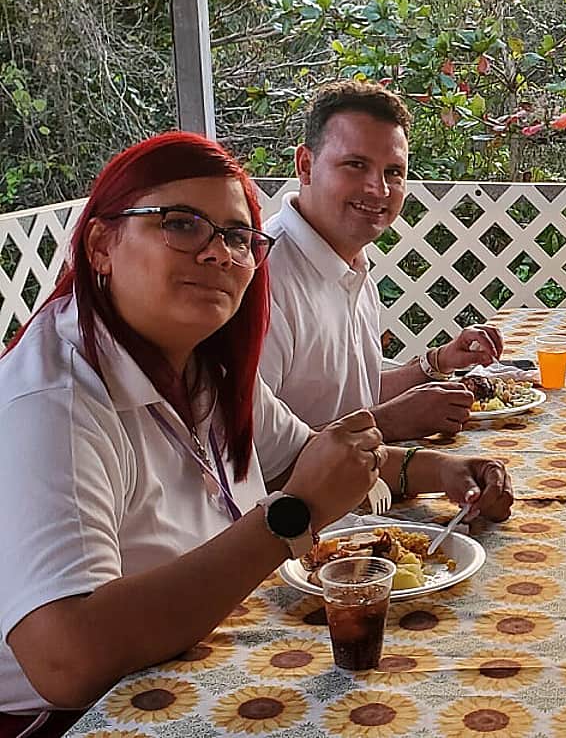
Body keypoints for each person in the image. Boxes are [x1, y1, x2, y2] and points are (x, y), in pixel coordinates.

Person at [0, 134, 512, 731]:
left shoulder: (198, 367)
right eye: (182, 225)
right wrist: (290, 515)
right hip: (85, 717)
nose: (220, 254)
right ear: (101, 245)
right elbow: (66, 660)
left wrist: (435, 471)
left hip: (205, 668)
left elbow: (308, 456)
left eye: (239, 237)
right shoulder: (54, 400)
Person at [260, 80, 504, 441]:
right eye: (355, 165)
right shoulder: (261, 277)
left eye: (393, 172)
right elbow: (254, 453)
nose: (379, 189)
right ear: (306, 166)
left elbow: (352, 400)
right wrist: (389, 424)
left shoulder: (352, 263)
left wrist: (438, 363)